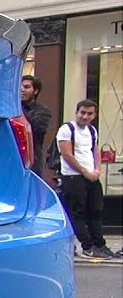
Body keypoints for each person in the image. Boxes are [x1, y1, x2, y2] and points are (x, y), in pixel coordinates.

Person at [56, 99, 118, 259]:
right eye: (82, 112)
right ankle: (87, 246)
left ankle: (100, 244)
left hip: (91, 177)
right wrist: (85, 172)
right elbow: (67, 154)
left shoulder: (91, 130)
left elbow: (95, 150)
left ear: (94, 115)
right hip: (73, 177)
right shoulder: (66, 129)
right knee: (79, 213)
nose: (85, 116)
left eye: (89, 113)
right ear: (76, 112)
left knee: (96, 212)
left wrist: (97, 169)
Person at [20, 75, 52, 181]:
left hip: (32, 160)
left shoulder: (43, 111)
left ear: (36, 91)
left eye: (26, 87)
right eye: (20, 87)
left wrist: (17, 107)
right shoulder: (9, 109)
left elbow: (36, 129)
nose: (22, 90)